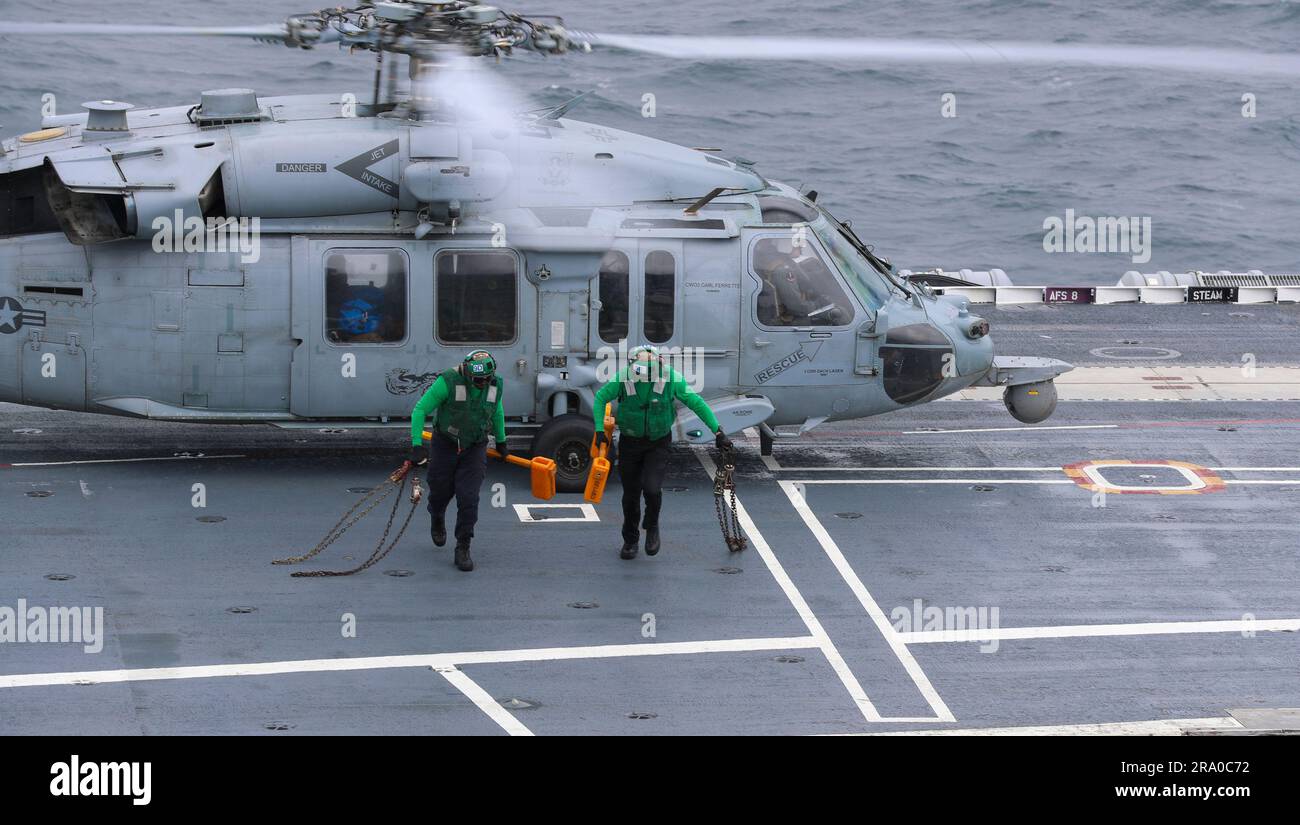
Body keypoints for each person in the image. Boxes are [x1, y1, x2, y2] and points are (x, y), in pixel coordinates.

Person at [592, 345, 733, 560]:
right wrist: (599, 430)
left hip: (658, 443)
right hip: (630, 443)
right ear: (632, 368)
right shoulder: (623, 378)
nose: (646, 379)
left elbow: (696, 403)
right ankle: (630, 540)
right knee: (630, 496)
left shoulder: (672, 380)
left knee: (651, 488)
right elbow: (601, 398)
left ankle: (651, 525)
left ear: (659, 367)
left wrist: (718, 431)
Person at [408, 350, 508, 572]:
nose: (482, 384)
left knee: (469, 497)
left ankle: (463, 546)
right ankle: (437, 515)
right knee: (440, 491)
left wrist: (501, 440)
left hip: (474, 446)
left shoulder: (494, 385)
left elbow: (497, 411)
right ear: (467, 373)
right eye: (477, 380)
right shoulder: (448, 382)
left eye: (485, 380)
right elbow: (420, 410)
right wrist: (417, 445)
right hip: (445, 444)